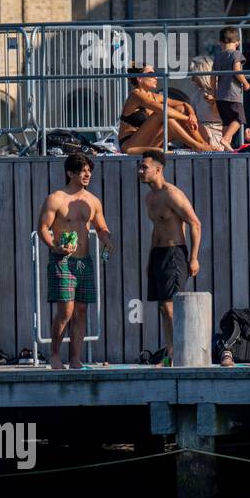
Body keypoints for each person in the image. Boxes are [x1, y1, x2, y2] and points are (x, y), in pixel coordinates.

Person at [36, 152, 114, 370]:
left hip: (84, 261)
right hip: (62, 260)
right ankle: (54, 355)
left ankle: (75, 359)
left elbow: (101, 227)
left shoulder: (92, 201)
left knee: (81, 310)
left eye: (89, 170)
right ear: (70, 173)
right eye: (82, 171)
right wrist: (54, 246)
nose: (87, 174)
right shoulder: (56, 198)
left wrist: (107, 239)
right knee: (66, 311)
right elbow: (42, 228)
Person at [137, 149, 201, 364]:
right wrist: (150, 260)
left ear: (158, 169)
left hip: (174, 254)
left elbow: (195, 223)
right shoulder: (149, 197)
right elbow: (156, 230)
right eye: (140, 167)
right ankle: (171, 354)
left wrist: (194, 257)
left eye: (144, 167)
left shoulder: (172, 194)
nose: (140, 171)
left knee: (170, 307)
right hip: (158, 254)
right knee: (164, 309)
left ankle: (178, 355)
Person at [116, 68, 219, 153]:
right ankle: (197, 146)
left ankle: (203, 144)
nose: (156, 77)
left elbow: (184, 104)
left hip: (150, 142)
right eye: (151, 74)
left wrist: (192, 115)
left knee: (180, 109)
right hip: (130, 145)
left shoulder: (155, 96)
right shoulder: (135, 95)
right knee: (161, 114)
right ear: (139, 78)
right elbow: (163, 109)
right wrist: (187, 118)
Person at [213, 26, 250, 149]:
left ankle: (225, 148)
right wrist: (246, 83)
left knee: (226, 122)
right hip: (233, 94)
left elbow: (213, 76)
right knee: (239, 119)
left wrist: (214, 92)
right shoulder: (236, 54)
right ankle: (225, 139)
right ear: (237, 43)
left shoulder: (217, 56)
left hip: (220, 97)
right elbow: (237, 70)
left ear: (221, 43)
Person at [188, 56, 226, 149]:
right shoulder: (196, 95)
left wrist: (214, 103)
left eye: (194, 75)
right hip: (199, 135)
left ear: (201, 75)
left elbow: (227, 117)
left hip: (216, 137)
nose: (192, 79)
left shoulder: (221, 90)